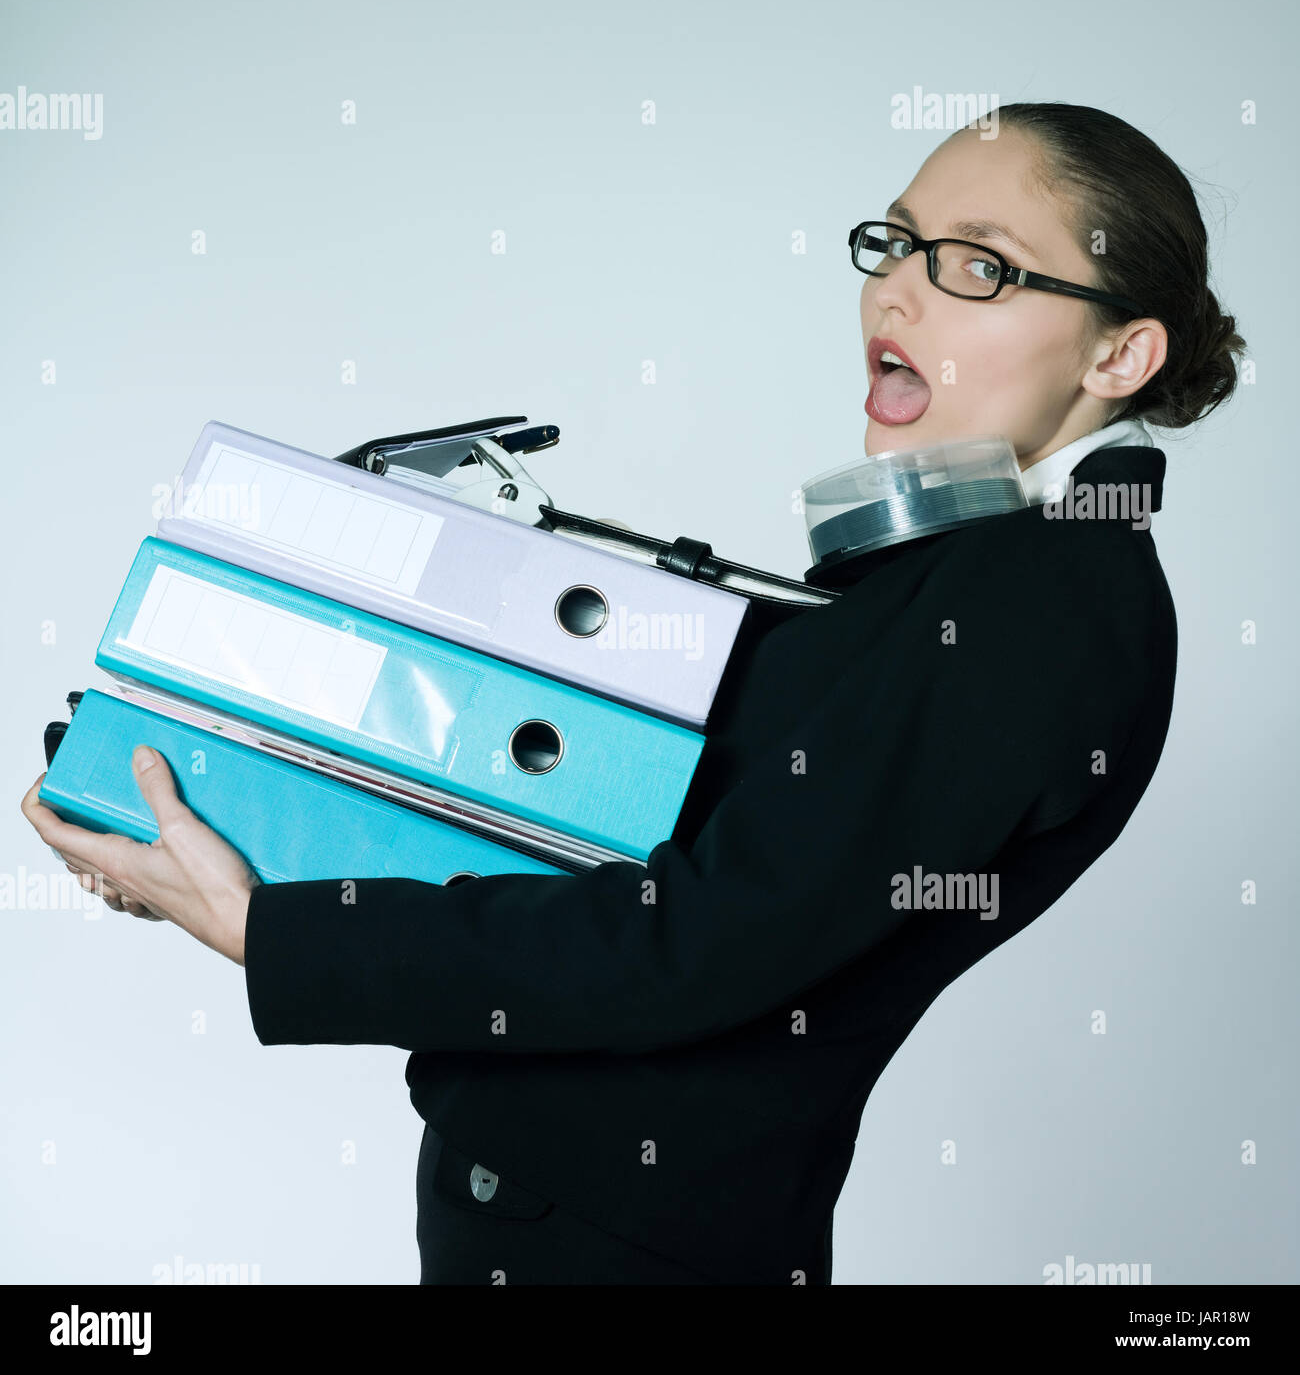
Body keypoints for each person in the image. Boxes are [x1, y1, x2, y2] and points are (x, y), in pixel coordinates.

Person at [22, 102, 1245, 1285]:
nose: (899, 289)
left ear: (1118, 353)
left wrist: (274, 932)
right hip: (575, 1212)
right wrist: (217, 837)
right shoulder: (959, 569)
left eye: (977, 265)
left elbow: (700, 938)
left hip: (625, 1251)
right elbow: (613, 842)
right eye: (895, 243)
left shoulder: (1049, 598)